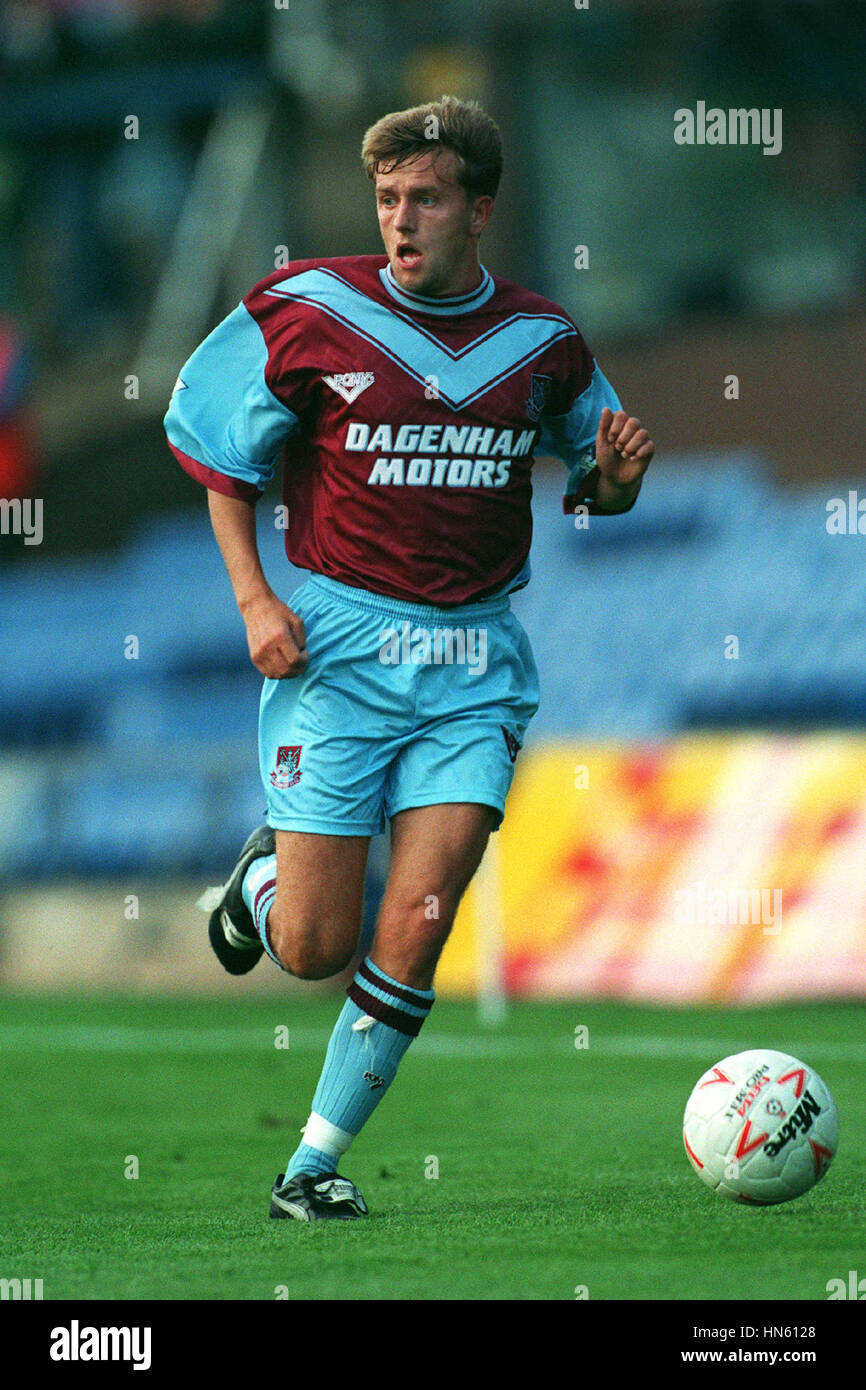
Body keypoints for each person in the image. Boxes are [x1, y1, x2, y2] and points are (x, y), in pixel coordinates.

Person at [164, 95, 654, 1222]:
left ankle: (310, 1166)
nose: (399, 218)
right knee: (311, 947)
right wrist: (255, 599)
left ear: (478, 211)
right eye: (386, 198)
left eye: (425, 199)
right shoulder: (308, 309)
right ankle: (259, 885)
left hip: (474, 665)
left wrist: (616, 485)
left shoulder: (544, 341)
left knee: (422, 917)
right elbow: (220, 459)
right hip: (339, 651)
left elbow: (594, 479)